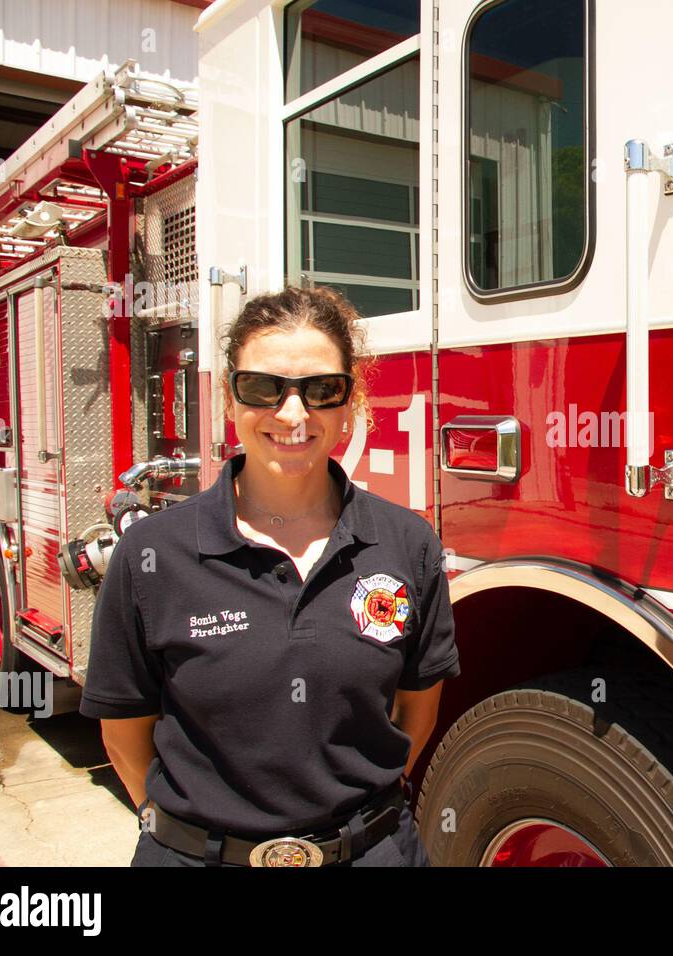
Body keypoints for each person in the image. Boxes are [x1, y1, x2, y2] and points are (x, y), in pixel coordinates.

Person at [78, 285, 459, 867]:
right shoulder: (152, 554)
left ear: (350, 404)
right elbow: (124, 736)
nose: (293, 414)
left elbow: (417, 713)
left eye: (321, 391)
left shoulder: (408, 544)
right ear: (229, 401)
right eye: (263, 388)